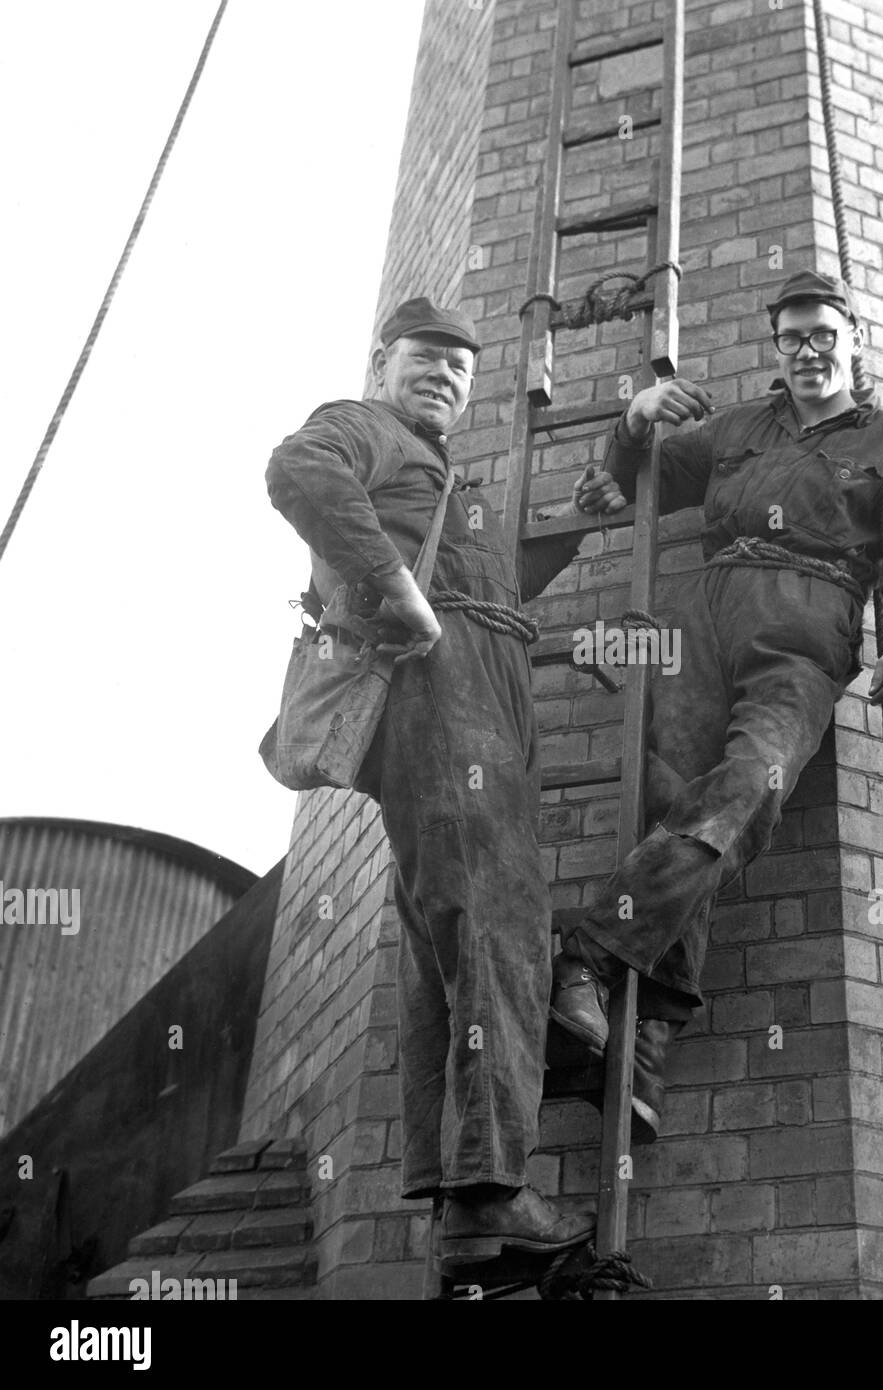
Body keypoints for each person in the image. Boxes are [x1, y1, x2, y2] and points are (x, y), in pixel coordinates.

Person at [549, 270, 883, 1141]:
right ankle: (645, 1043)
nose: (809, 352)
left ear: (855, 342)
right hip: (703, 611)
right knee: (677, 799)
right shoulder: (737, 428)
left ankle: (588, 956)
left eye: (824, 336)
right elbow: (643, 478)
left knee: (750, 787)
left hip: (807, 621)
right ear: (778, 346)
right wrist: (634, 417)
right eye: (793, 338)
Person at [265, 296, 593, 1265]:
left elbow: (497, 586)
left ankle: (454, 1194)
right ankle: (492, 1183)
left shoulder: (442, 476)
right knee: (495, 915)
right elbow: (297, 470)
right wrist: (396, 588)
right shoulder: (363, 429)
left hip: (475, 708)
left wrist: (593, 499)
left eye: (459, 365)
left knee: (441, 938)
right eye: (425, 358)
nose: (444, 375)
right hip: (440, 708)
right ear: (381, 365)